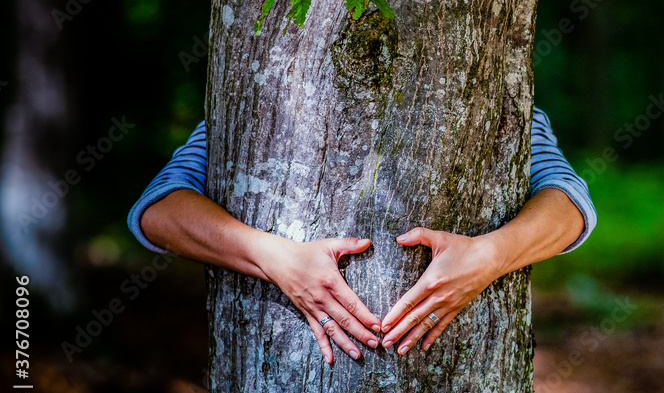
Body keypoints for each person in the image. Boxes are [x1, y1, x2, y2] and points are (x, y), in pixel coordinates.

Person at [127, 107, 597, 363]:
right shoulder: (254, 103)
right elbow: (158, 209)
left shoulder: (500, 106)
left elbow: (570, 204)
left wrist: (491, 255)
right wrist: (274, 258)